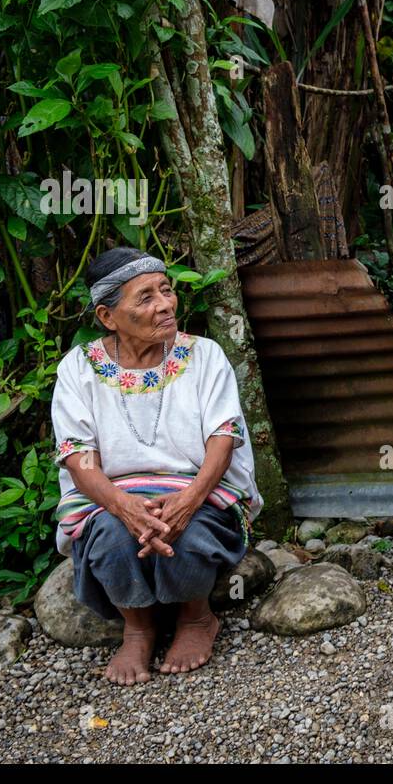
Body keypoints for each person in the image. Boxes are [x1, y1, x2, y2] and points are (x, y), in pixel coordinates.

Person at [51, 247, 261, 684]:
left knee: (190, 531)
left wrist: (189, 499)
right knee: (110, 536)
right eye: (145, 298)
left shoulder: (203, 356)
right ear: (108, 317)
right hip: (113, 496)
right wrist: (124, 506)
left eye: (166, 290)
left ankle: (196, 619)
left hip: (195, 489)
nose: (165, 304)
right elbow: (76, 454)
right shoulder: (78, 368)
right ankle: (138, 627)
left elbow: (223, 437)